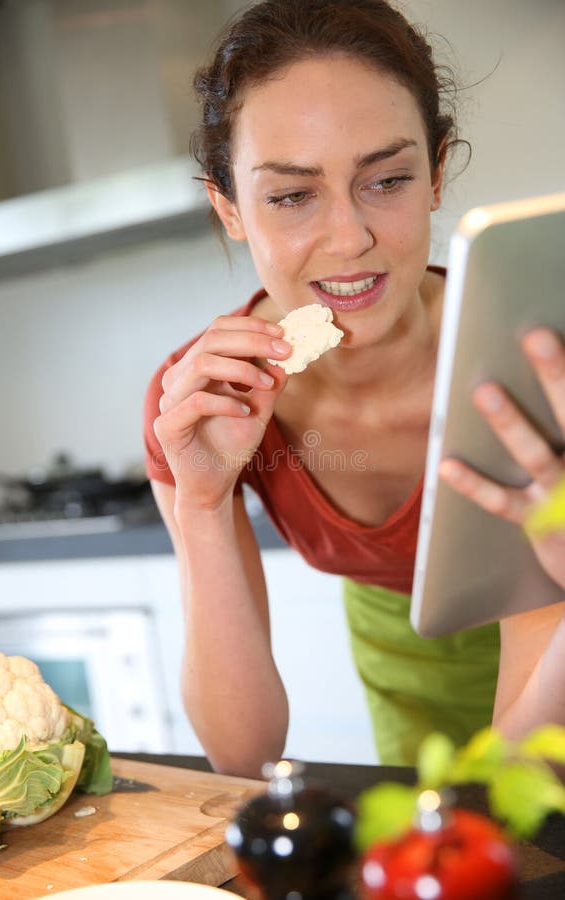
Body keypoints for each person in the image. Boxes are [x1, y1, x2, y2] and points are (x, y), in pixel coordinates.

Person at [143, 0, 565, 776]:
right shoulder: (199, 405)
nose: (349, 239)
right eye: (292, 195)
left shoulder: (535, 367)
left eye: (387, 179)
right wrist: (202, 504)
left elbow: (526, 776)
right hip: (407, 698)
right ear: (229, 206)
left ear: (436, 173)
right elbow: (242, 756)